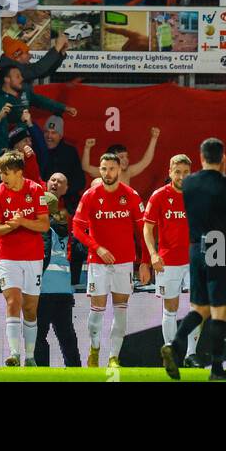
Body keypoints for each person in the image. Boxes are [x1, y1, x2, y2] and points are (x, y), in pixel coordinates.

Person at [162, 137, 226, 381]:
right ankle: (217, 370)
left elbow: (208, 191)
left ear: (201, 157)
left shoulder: (189, 184)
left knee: (200, 307)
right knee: (220, 310)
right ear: (223, 158)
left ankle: (175, 344)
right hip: (219, 246)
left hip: (196, 248)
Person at [72, 152, 148, 368]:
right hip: (98, 262)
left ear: (119, 170)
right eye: (103, 169)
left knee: (120, 308)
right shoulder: (90, 195)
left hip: (124, 262)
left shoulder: (131, 195)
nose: (107, 173)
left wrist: (144, 261)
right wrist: (98, 248)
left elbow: (143, 229)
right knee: (97, 309)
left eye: (111, 169)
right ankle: (95, 349)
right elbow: (77, 228)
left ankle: (114, 356)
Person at [0, 149, 50, 367]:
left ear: (18, 172)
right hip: (8, 255)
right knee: (13, 301)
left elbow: (44, 225)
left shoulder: (36, 190)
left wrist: (22, 222)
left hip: (33, 256)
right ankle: (14, 354)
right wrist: (8, 226)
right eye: (0, 173)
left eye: (5, 173)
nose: (1, 178)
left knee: (30, 308)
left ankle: (30, 356)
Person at [144, 155, 202, 366]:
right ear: (170, 172)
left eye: (186, 172)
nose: (181, 176)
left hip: (194, 261)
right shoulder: (159, 196)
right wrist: (152, 254)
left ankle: (190, 354)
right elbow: (147, 228)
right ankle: (171, 353)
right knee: (170, 307)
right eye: (177, 172)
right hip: (167, 261)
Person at [35, 173, 80, 367]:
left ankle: (42, 372)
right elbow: (77, 252)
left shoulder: (44, 229)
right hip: (63, 288)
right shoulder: (63, 228)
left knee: (39, 335)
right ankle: (75, 370)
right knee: (66, 335)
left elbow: (44, 255)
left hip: (45, 289)